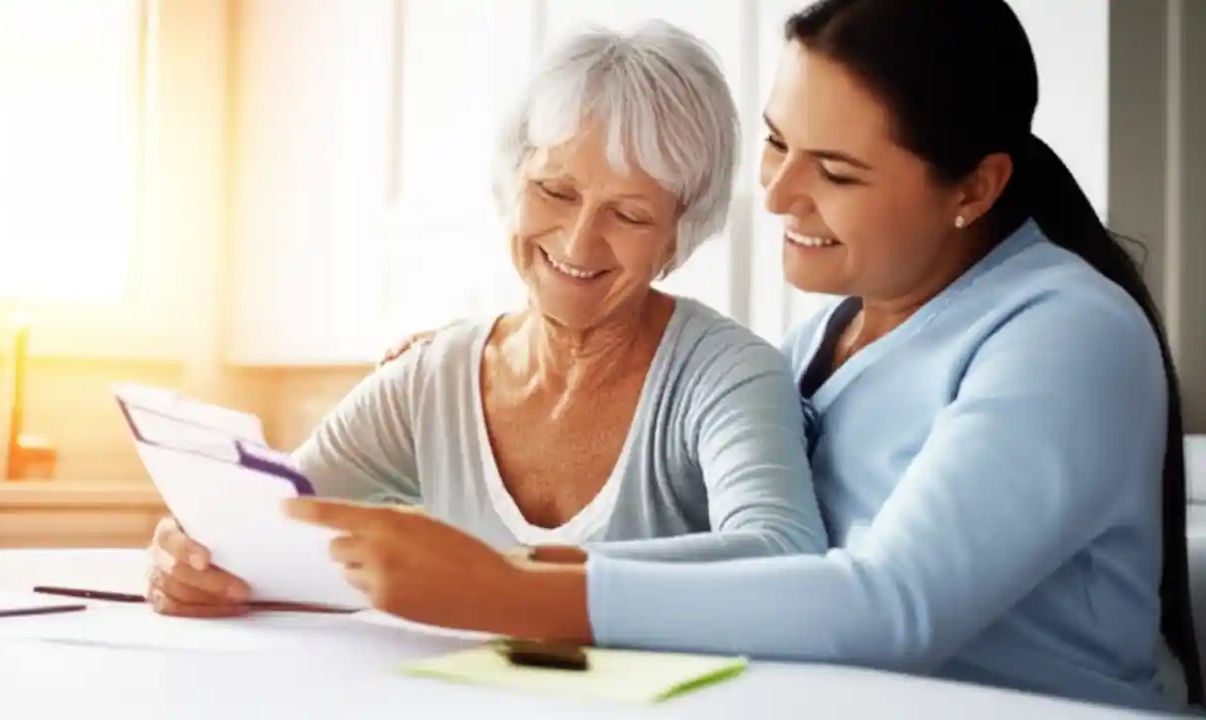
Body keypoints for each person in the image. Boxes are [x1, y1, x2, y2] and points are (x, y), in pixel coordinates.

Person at [285, 0, 1202, 712]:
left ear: (974, 187)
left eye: (835, 172)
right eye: (774, 143)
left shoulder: (1068, 332)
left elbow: (892, 608)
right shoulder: (822, 342)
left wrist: (520, 591)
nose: (775, 196)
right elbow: (761, 574)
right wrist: (521, 564)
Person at [142, 22, 827, 619]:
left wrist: (500, 580)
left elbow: (785, 555)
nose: (579, 242)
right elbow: (274, 531)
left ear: (677, 238)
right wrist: (195, 559)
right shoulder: (433, 379)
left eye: (629, 214)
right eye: (555, 192)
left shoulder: (728, 376)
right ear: (511, 181)